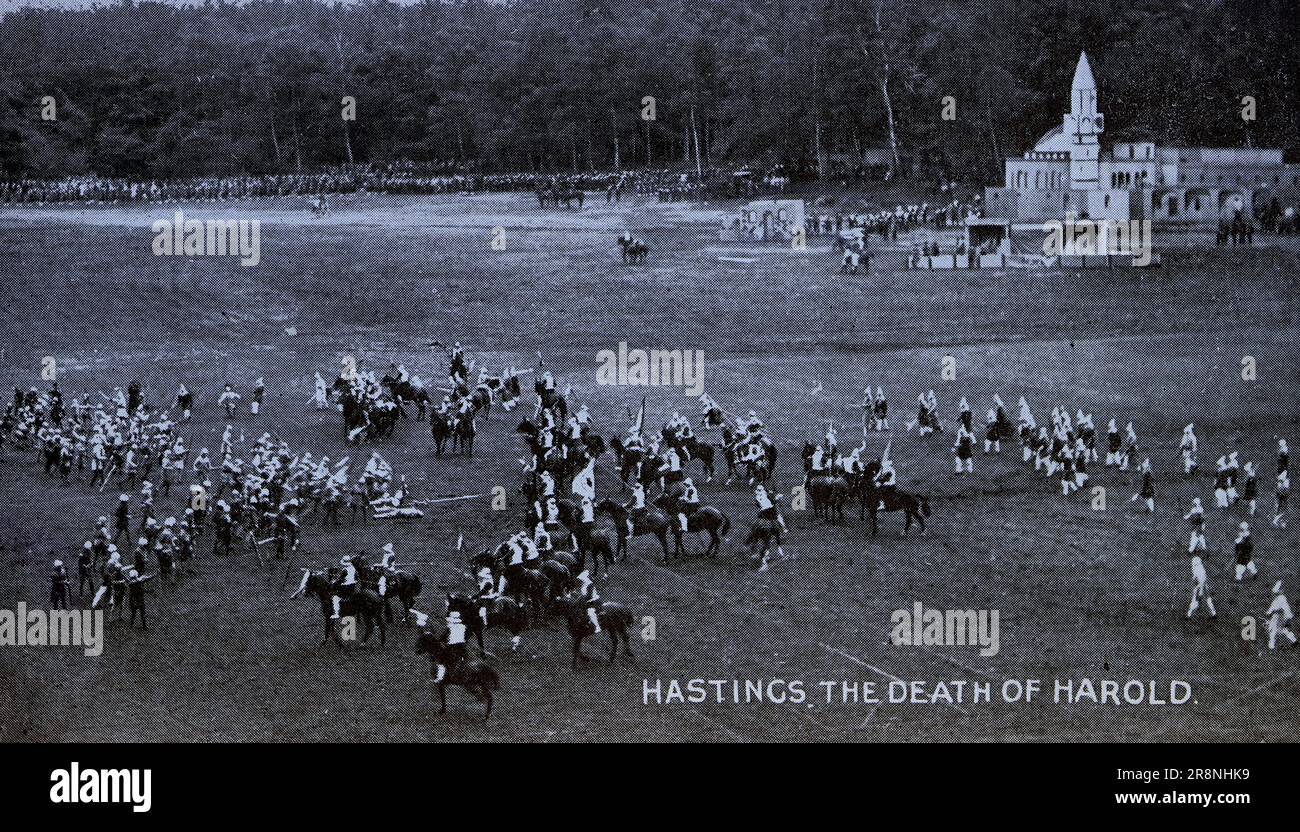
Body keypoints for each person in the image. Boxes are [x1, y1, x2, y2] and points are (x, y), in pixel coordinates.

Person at [434, 611, 468, 682]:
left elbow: (443, 638)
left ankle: (440, 678)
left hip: (452, 648)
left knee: (440, 661)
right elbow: (466, 637)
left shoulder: (449, 628)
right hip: (462, 648)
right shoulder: (464, 627)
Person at [1267, 581, 1295, 650]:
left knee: (1272, 630)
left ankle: (1272, 646)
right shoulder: (1280, 598)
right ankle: (1294, 640)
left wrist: (1268, 613)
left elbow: (1276, 607)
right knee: (1281, 630)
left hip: (1278, 616)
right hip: (1279, 616)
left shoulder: (1281, 599)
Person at [1186, 555, 1216, 619]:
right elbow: (1196, 578)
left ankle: (1189, 615)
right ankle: (1213, 613)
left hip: (1200, 587)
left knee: (1195, 600)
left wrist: (1200, 591)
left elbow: (1201, 582)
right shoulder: (1199, 568)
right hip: (1202, 587)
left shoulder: (1199, 570)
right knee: (1208, 599)